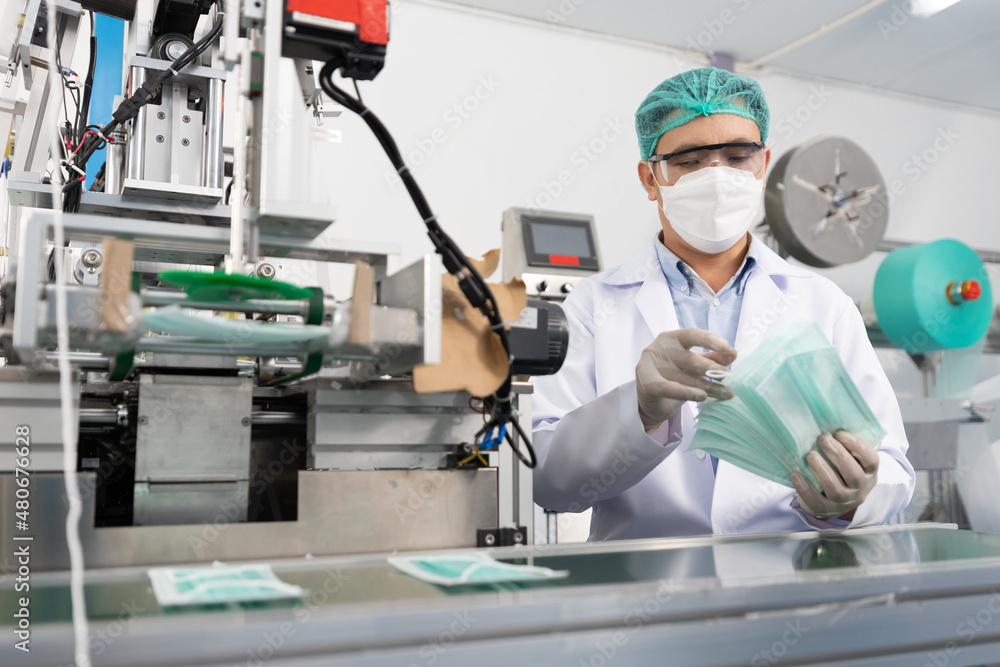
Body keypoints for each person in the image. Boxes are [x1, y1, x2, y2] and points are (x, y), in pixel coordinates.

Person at [531, 68, 914, 540]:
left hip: (786, 584)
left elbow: (892, 464)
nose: (717, 176)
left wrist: (851, 501)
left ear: (763, 164)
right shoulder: (592, 306)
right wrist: (639, 411)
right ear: (651, 179)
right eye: (690, 161)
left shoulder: (824, 303)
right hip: (644, 585)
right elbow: (548, 480)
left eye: (737, 156)